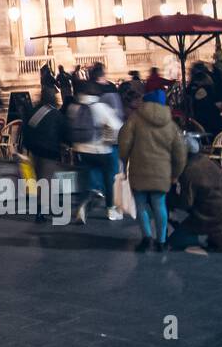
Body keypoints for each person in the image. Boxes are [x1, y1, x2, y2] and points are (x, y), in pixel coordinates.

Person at [118, 89, 188, 252]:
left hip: (139, 171)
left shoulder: (134, 120)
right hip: (162, 173)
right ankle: (162, 241)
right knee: (160, 205)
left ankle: (147, 238)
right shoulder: (171, 125)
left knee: (141, 206)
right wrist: (175, 175)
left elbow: (124, 144)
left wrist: (125, 160)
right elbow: (180, 154)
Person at [66, 84, 123, 223]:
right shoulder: (100, 107)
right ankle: (110, 209)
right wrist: (108, 138)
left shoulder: (73, 108)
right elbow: (116, 126)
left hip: (80, 150)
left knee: (85, 181)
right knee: (108, 179)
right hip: (101, 149)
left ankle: (82, 205)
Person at [168, 146, 222, 253]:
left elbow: (186, 203)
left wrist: (171, 191)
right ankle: (216, 237)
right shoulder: (210, 162)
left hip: (209, 220)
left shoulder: (189, 171)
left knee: (173, 242)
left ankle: (208, 237)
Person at [21, 93, 69, 223]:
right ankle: (40, 212)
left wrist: (26, 146)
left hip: (35, 150)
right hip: (49, 152)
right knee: (45, 182)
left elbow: (26, 129)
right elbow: (65, 133)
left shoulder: (34, 112)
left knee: (40, 180)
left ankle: (44, 207)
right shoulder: (57, 115)